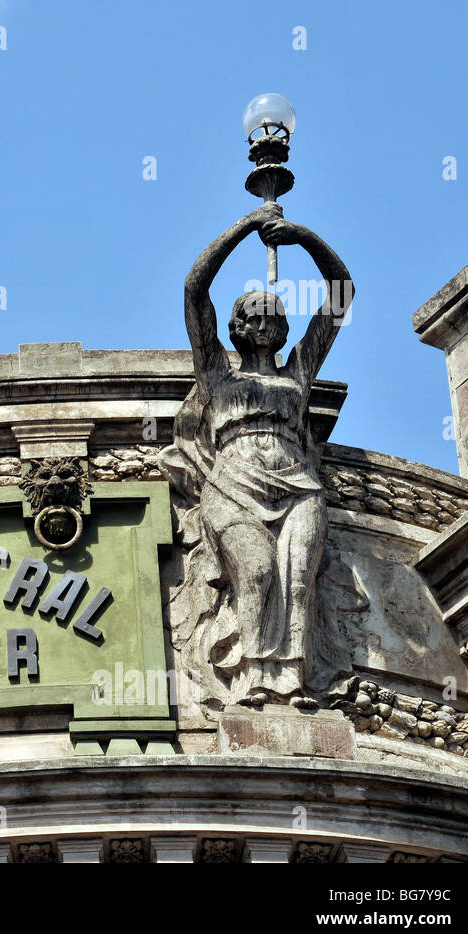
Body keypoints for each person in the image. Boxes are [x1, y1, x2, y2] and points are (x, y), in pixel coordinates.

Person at [165, 202, 354, 707]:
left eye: (273, 313)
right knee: (256, 572)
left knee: (296, 580)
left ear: (285, 328)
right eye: (251, 314)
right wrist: (246, 226)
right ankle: (252, 674)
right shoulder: (218, 375)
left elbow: (341, 294)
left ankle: (290, 680)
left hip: (298, 486)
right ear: (235, 328)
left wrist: (302, 236)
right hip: (234, 482)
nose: (263, 320)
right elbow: (193, 290)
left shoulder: (297, 376)